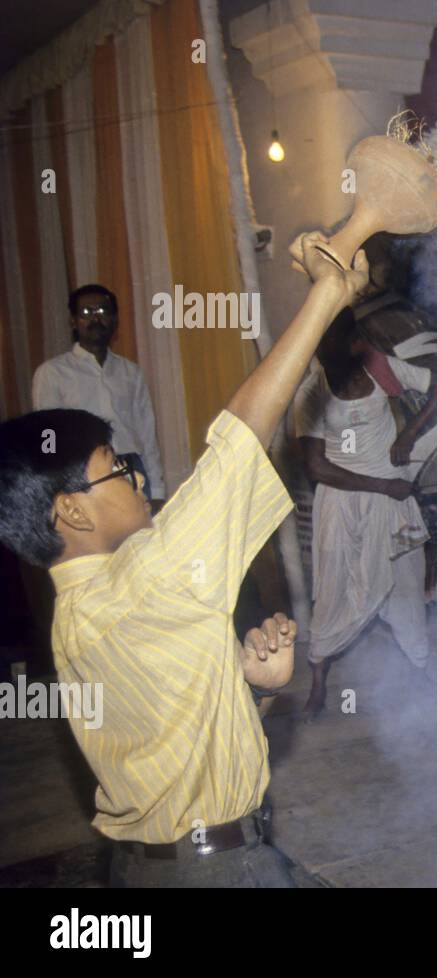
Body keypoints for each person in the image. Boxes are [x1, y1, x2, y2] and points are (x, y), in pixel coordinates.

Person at [0, 231, 369, 886]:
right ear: (74, 512)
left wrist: (250, 686)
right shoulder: (144, 582)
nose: (138, 481)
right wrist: (328, 292)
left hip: (164, 865)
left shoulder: (84, 610)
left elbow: (174, 737)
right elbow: (240, 439)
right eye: (116, 473)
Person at [293, 306, 437, 719]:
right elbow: (316, 467)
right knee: (335, 587)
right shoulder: (310, 393)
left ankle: (419, 667)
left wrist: (410, 433)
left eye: (344, 340)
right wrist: (383, 486)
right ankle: (319, 678)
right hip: (342, 503)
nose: (334, 351)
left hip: (396, 502)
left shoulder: (378, 366)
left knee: (408, 581)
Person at [33, 284, 167, 508]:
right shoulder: (53, 372)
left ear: (115, 320)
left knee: (142, 540)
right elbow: (47, 433)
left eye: (103, 311)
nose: (96, 318)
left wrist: (158, 489)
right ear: (74, 322)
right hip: (82, 473)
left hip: (132, 468)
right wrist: (55, 485)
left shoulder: (130, 372)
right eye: (86, 313)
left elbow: (147, 432)